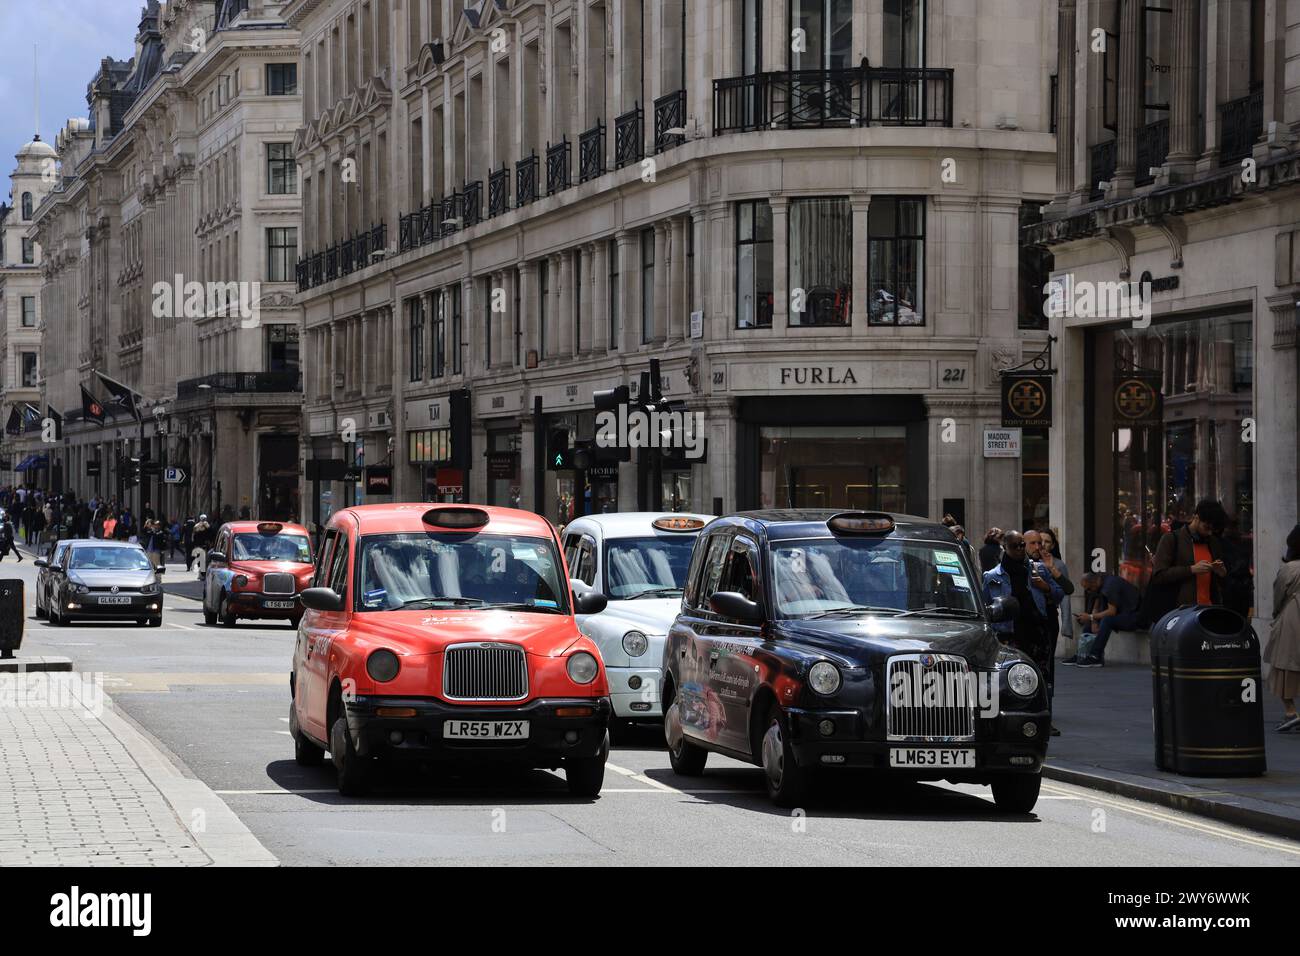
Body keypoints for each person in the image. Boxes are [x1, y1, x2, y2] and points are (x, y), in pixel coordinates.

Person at [982, 530, 1062, 672]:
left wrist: (1046, 587)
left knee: (1041, 678)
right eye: (1014, 546)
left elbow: (1059, 594)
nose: (1019, 549)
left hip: (1036, 634)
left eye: (1022, 545)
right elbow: (985, 609)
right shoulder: (992, 576)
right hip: (1008, 637)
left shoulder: (1039, 569)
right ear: (1005, 547)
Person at [1146, 498, 1228, 622]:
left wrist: (1221, 573)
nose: (1209, 533)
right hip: (1178, 614)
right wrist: (1191, 569)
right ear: (1196, 518)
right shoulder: (1171, 539)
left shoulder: (1213, 543)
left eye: (1212, 530)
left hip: (1207, 612)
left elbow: (1219, 582)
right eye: (1206, 527)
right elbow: (1159, 575)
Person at [1027, 528, 1073, 735]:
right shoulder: (1020, 565)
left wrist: (1050, 573)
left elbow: (1066, 590)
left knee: (1046, 671)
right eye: (1036, 543)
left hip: (1047, 622)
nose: (1040, 547)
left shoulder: (1052, 565)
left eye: (1044, 542)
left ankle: (1045, 717)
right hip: (1027, 623)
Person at [1266, 525, 1300, 732]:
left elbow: (1278, 596)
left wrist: (1276, 614)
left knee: (1284, 666)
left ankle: (1290, 711)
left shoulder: (1290, 569)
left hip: (1292, 617)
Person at [1068, 571, 1142, 667]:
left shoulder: (1110, 586)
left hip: (1134, 616)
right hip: (1123, 614)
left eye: (1089, 589)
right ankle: (1082, 654)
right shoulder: (1100, 580)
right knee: (1089, 623)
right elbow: (1097, 601)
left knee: (1107, 620)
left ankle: (1095, 656)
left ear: (1094, 583)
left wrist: (1091, 617)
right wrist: (1093, 620)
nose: (1088, 592)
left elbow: (1112, 611)